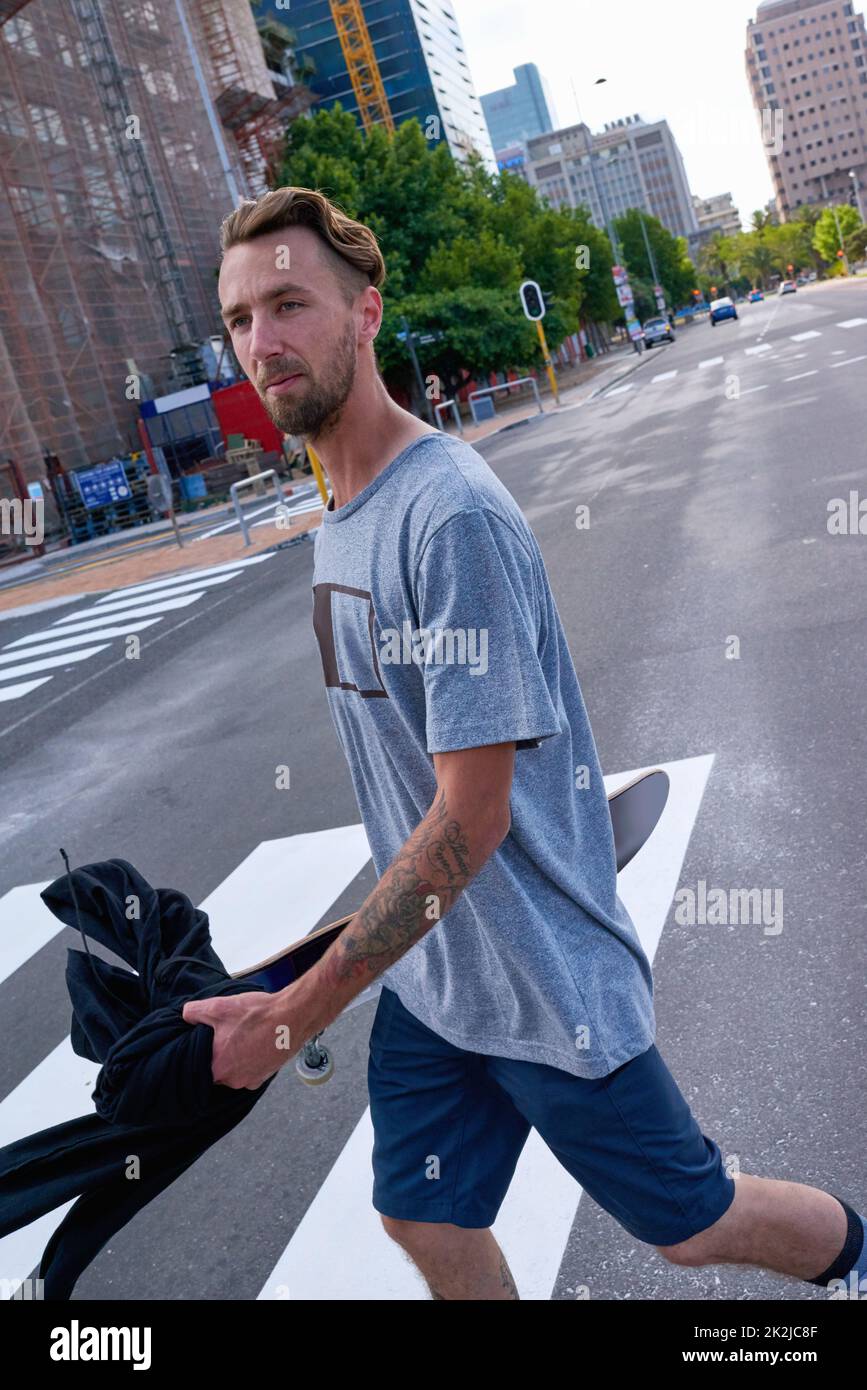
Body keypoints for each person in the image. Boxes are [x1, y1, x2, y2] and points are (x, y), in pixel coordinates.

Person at [183, 187, 867, 1302]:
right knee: (420, 1207)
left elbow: (473, 816)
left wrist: (299, 1010)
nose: (262, 340)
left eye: (290, 303)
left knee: (689, 1222)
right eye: (240, 318)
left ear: (365, 312)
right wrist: (321, 961)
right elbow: (408, 786)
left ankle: (858, 1258)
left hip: (544, 982)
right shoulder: (341, 522)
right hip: (443, 980)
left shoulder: (444, 516)